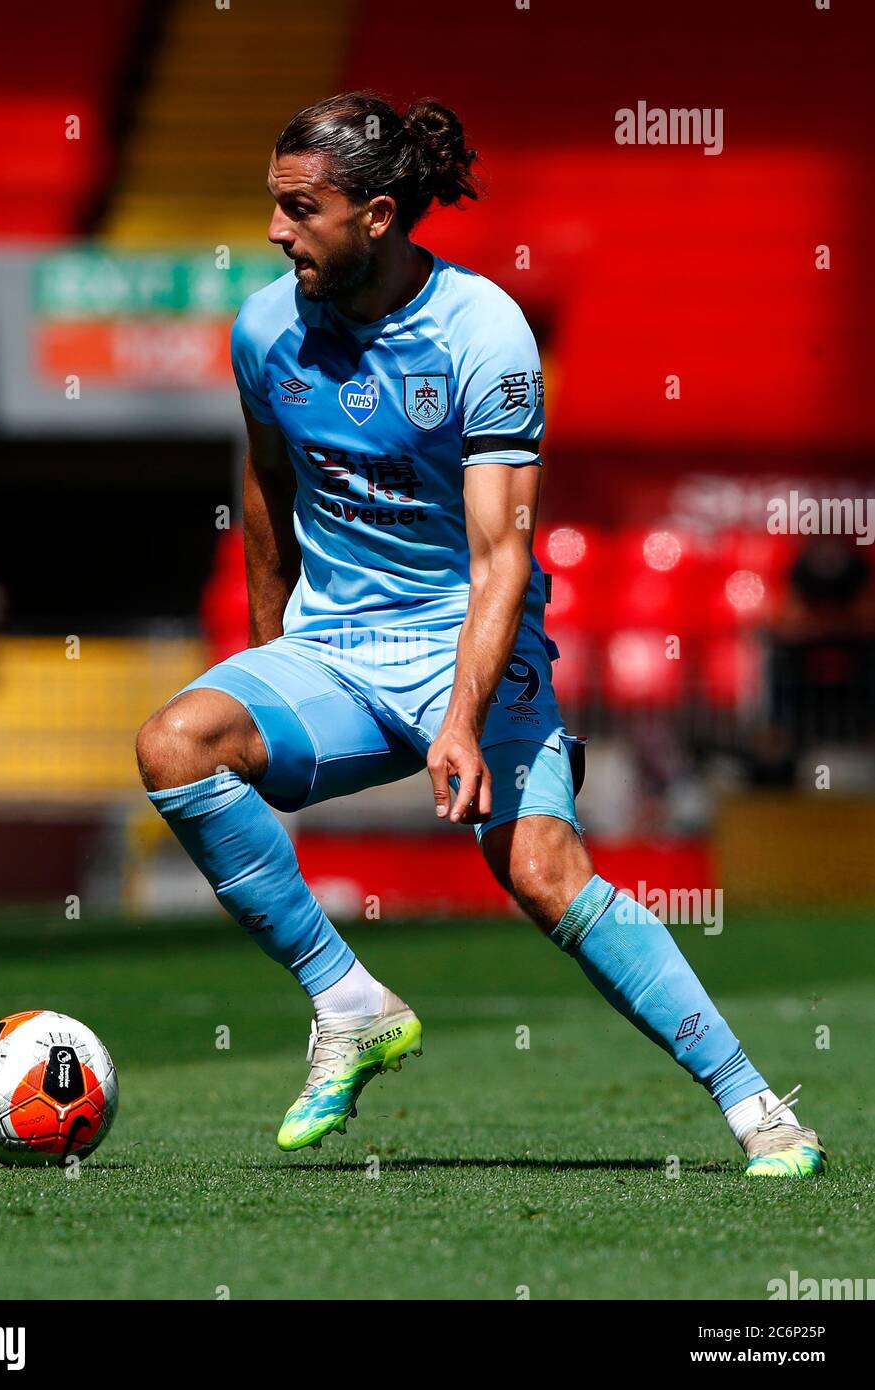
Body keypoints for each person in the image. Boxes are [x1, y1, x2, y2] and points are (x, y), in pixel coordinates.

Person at [137, 92, 824, 1175]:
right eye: (271, 205)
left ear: (377, 214)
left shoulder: (482, 333)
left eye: (299, 207)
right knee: (175, 745)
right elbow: (266, 485)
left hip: (467, 642)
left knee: (543, 873)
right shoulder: (265, 326)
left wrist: (458, 717)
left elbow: (502, 557)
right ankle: (348, 1001)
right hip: (334, 652)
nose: (275, 230)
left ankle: (755, 1108)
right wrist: (263, 651)